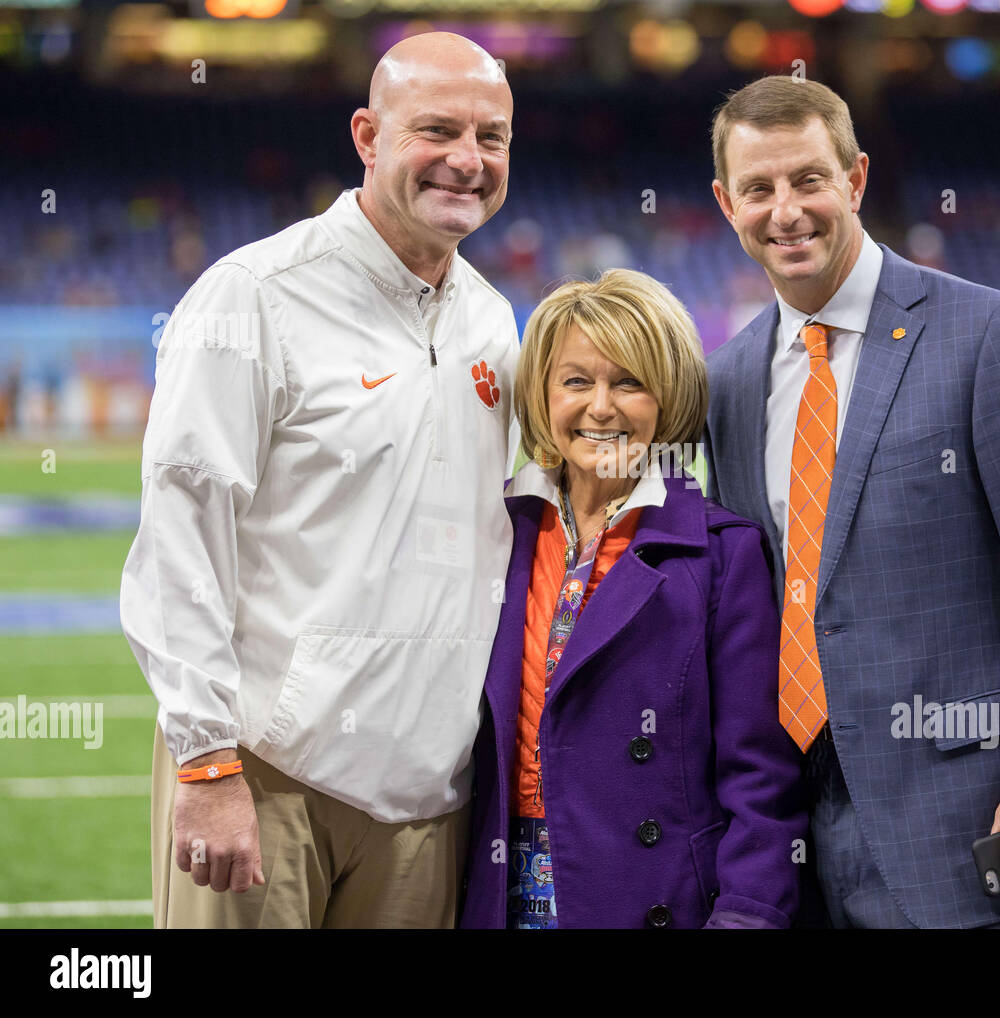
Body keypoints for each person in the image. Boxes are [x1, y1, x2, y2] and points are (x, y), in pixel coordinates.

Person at [120, 32, 520, 928]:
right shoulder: (254, 296)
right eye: (438, 130)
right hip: (266, 776)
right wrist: (206, 760)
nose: (468, 160)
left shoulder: (493, 323)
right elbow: (181, 535)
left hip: (426, 800)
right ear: (368, 136)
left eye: (491, 137)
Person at [702, 76, 1000, 929]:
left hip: (966, 825)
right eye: (759, 188)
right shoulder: (731, 379)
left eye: (808, 179)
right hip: (793, 841)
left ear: (854, 179)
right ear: (725, 203)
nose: (786, 210)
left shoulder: (989, 333)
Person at [459, 269, 806, 929]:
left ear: (668, 397)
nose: (600, 407)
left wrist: (747, 918)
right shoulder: (495, 527)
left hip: (655, 900)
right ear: (541, 393)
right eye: (576, 381)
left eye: (629, 382)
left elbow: (761, 782)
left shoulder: (723, 552)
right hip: (498, 898)